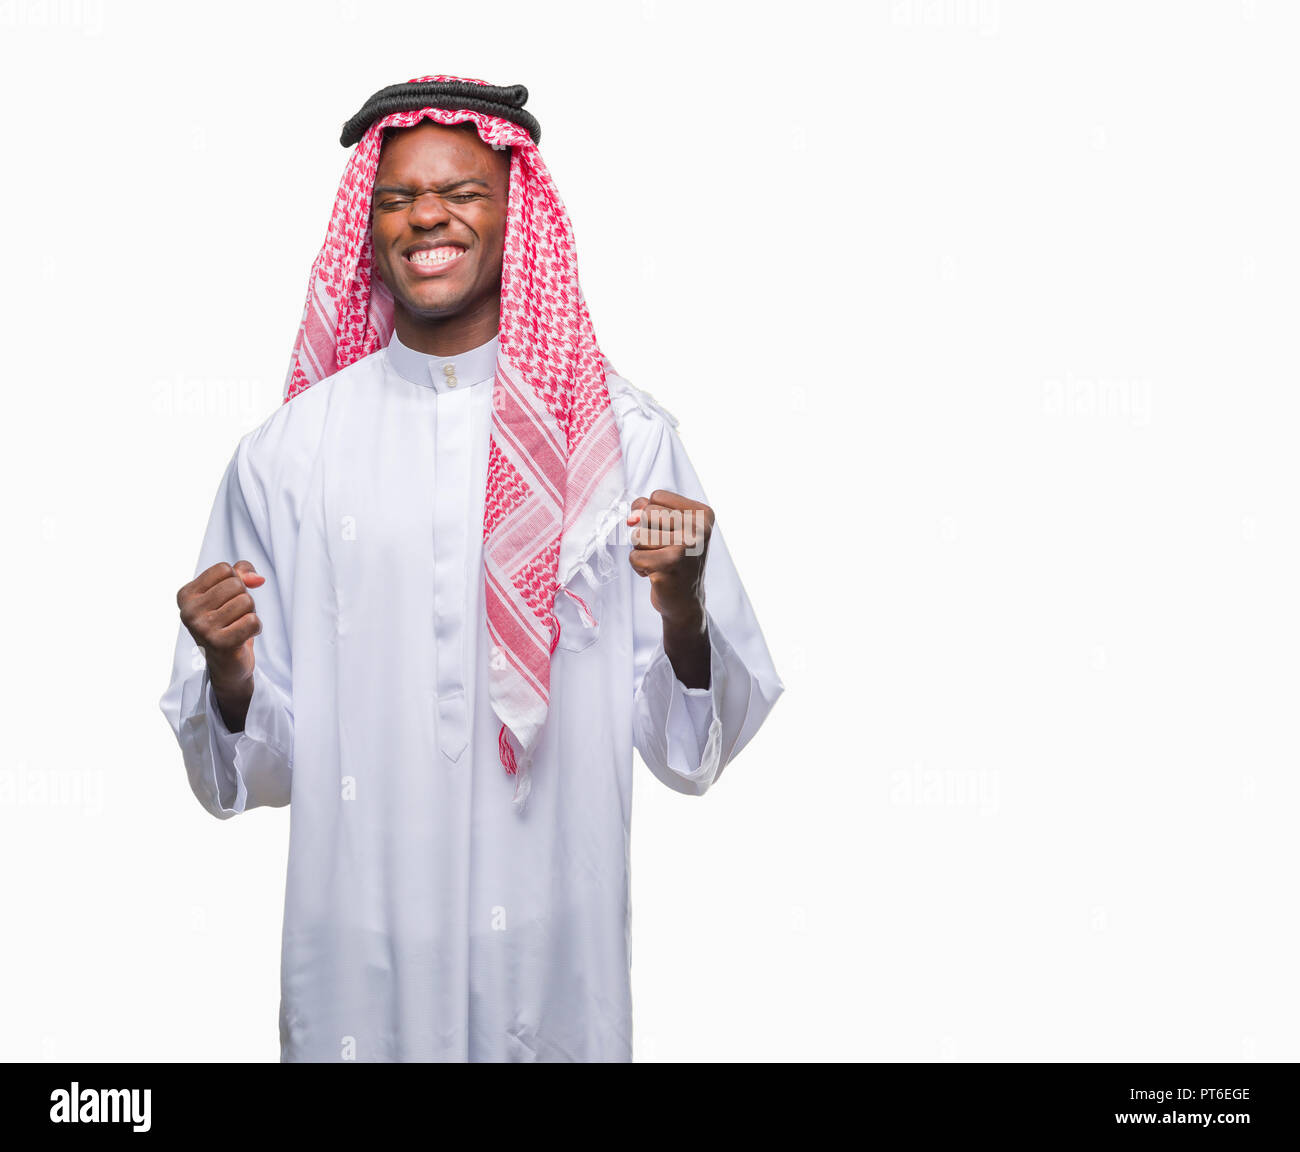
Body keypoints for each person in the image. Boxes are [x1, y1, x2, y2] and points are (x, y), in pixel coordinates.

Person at [158, 74, 783, 1062]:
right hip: (359, 961)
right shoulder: (287, 456)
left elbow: (688, 752)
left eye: (463, 192)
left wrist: (684, 610)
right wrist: (229, 672)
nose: (427, 218)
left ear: (517, 216)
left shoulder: (619, 441)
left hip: (552, 960)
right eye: (399, 198)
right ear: (367, 225)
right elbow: (256, 773)